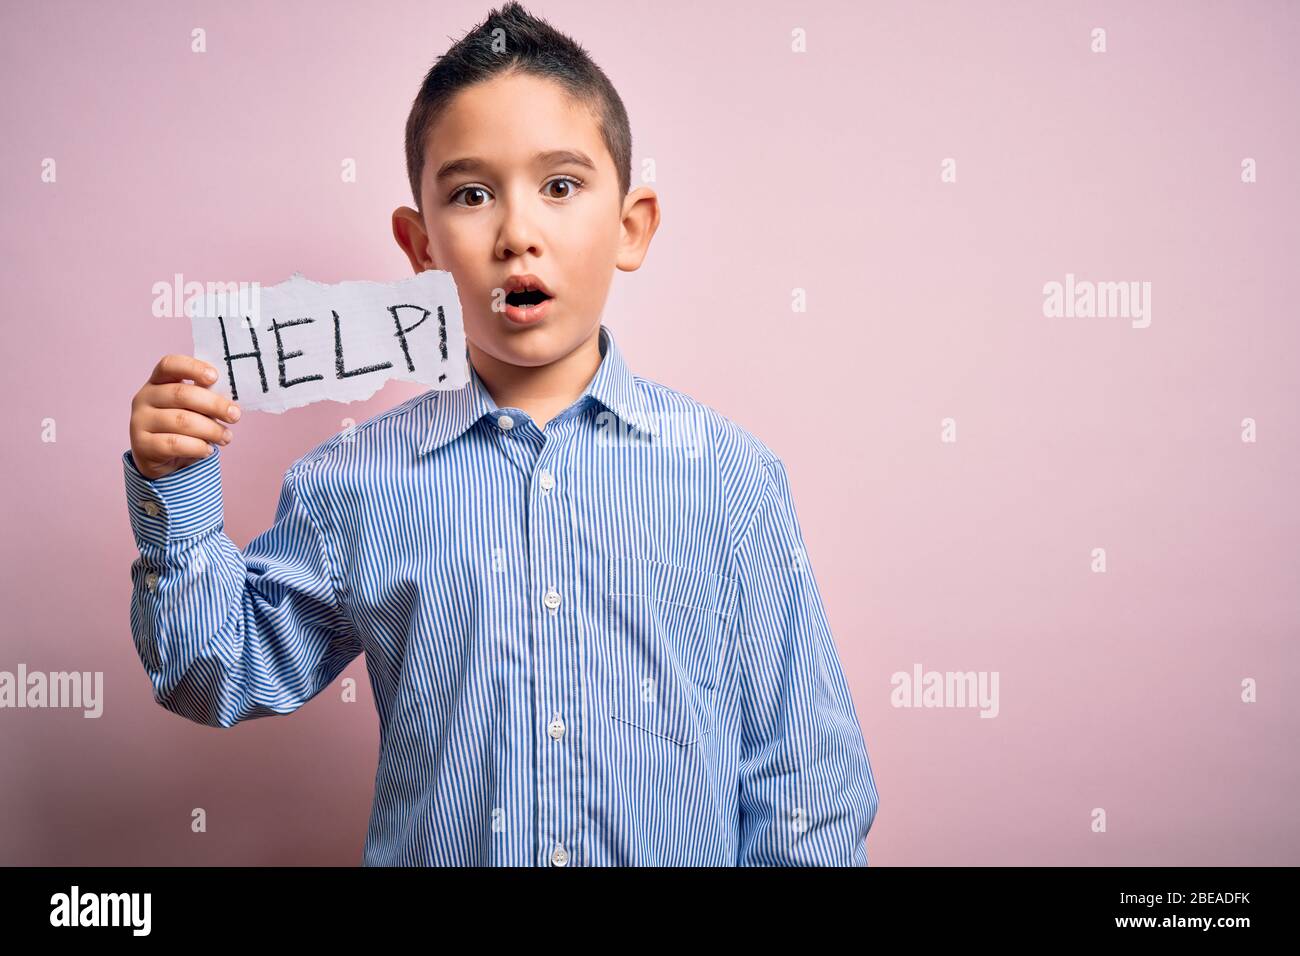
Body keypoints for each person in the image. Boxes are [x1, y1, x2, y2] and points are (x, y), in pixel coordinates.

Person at [123, 1, 879, 866]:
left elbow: (807, 782)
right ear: (420, 245)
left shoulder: (730, 477)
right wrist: (172, 482)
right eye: (472, 194)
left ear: (631, 226)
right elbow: (212, 669)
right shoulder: (356, 481)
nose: (519, 234)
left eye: (561, 187)